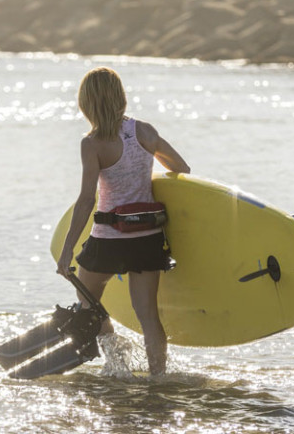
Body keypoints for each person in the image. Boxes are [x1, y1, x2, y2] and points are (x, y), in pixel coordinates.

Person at [56, 67, 190, 375]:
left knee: (88, 302)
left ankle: (117, 364)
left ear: (87, 103)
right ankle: (158, 379)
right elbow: (181, 167)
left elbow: (87, 199)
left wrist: (67, 252)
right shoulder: (144, 131)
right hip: (148, 236)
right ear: (119, 97)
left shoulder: (91, 144)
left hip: (108, 239)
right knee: (148, 316)